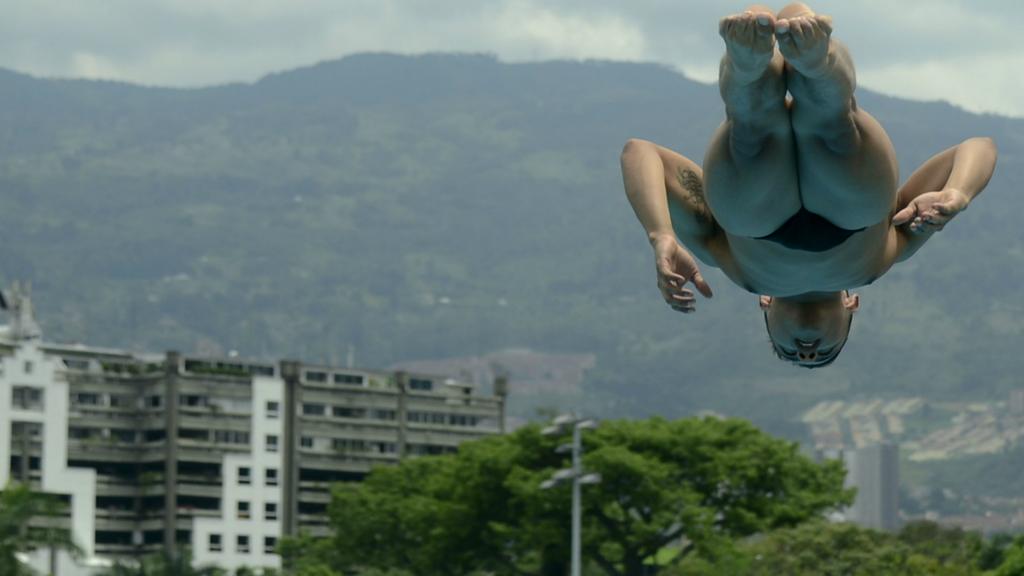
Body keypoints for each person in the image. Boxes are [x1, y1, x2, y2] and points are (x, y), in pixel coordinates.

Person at [621, 2, 997, 367]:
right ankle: (815, 58)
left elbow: (641, 153)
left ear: (765, 304)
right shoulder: (886, 256)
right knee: (833, 122)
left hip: (753, 216)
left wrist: (661, 235)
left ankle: (749, 66)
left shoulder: (733, 265)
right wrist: (957, 194)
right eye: (826, 353)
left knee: (751, 125)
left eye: (787, 352)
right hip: (854, 211)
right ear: (852, 305)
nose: (806, 353)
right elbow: (979, 147)